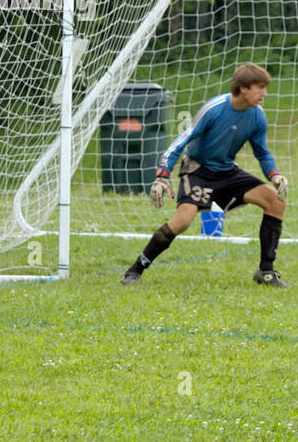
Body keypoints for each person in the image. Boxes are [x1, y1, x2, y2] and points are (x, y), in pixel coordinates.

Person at [120, 63, 289, 286]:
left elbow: (262, 152)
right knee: (182, 221)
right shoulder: (214, 109)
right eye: (259, 87)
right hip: (197, 171)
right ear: (243, 88)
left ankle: (266, 272)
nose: (264, 93)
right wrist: (162, 175)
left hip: (227, 171)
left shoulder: (257, 116)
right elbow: (181, 140)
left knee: (275, 201)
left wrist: (275, 175)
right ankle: (135, 270)